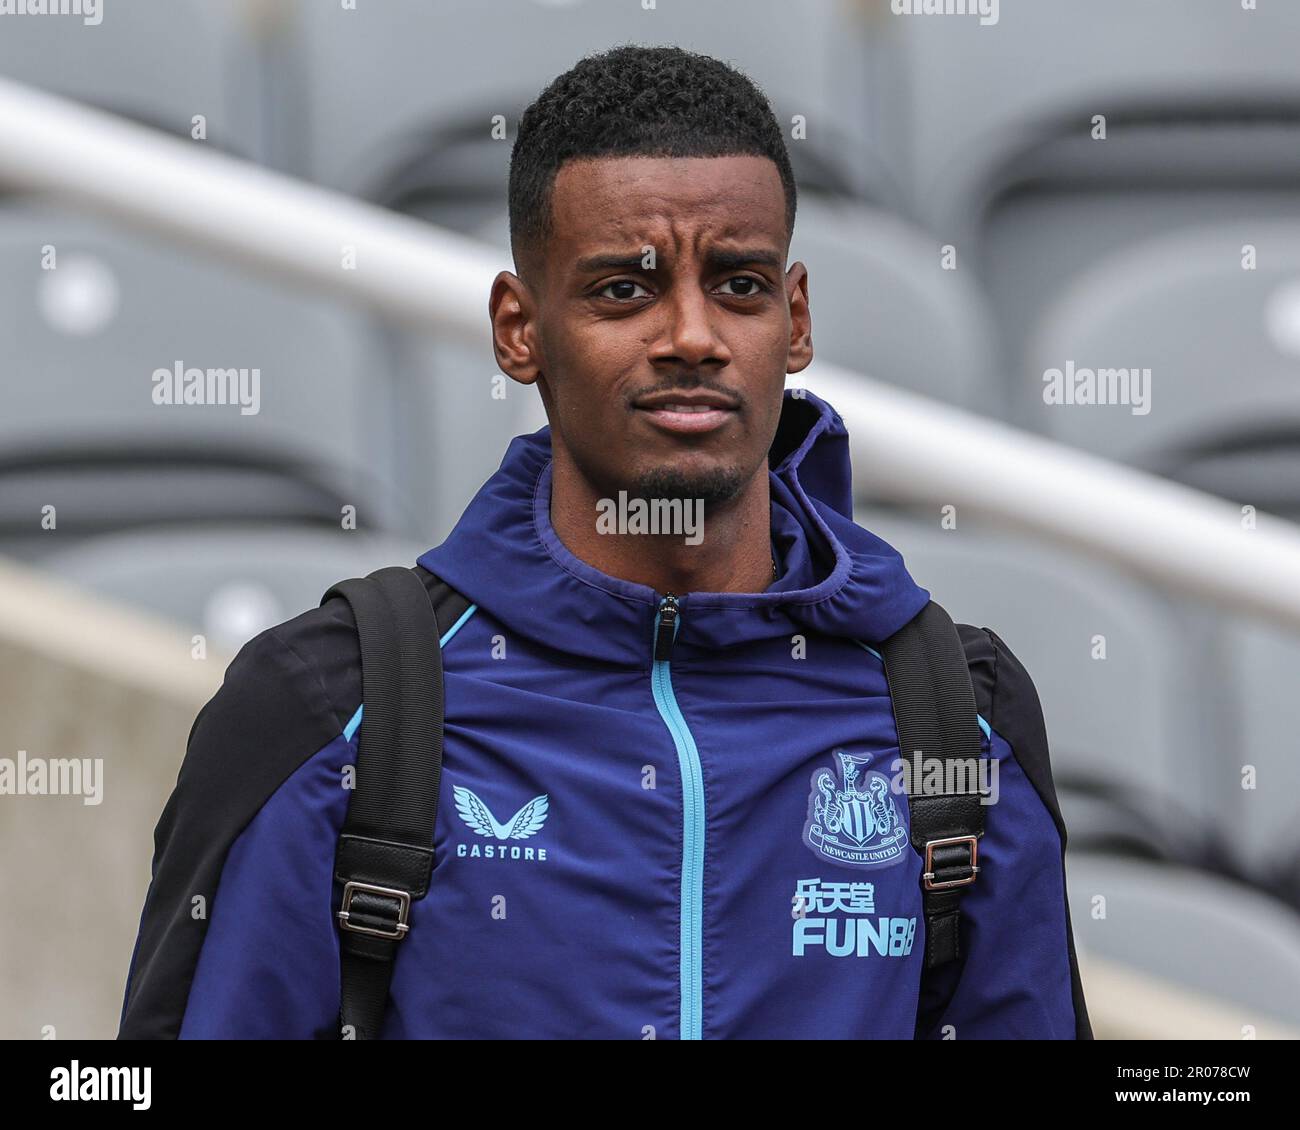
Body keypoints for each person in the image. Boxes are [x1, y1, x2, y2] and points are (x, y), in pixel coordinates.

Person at [118, 44, 1090, 1040]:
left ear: (794, 321)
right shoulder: (332, 708)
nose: (691, 336)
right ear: (517, 327)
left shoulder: (954, 718)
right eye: (624, 291)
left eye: (739, 285)